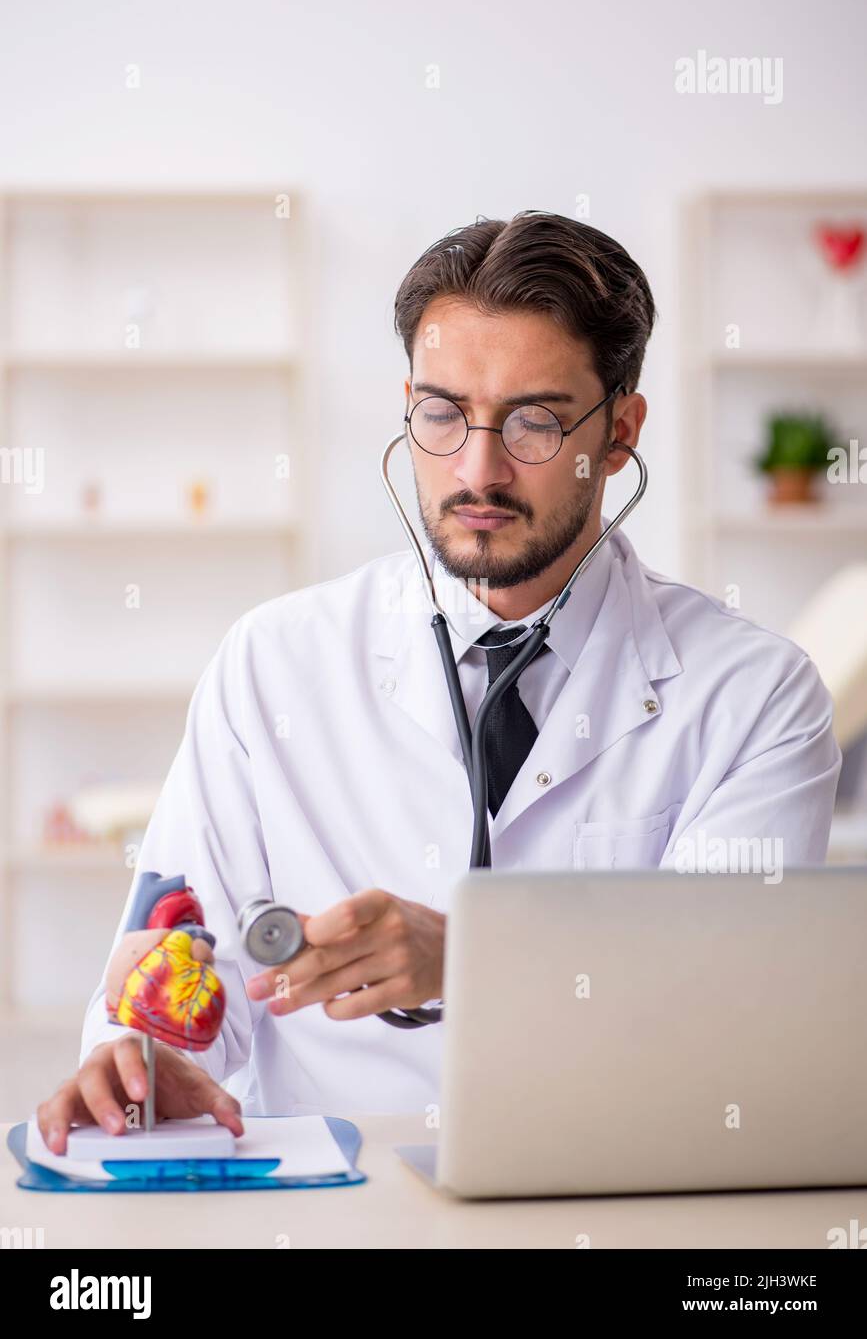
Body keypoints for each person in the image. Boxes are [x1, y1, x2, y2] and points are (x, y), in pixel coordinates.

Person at [37, 211, 840, 1153]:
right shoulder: (273, 664)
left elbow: (729, 1017)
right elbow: (175, 954)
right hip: (334, 1202)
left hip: (605, 1191)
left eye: (535, 421)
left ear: (618, 433)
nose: (478, 469)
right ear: (407, 405)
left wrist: (473, 960)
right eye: (443, 414)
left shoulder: (753, 697)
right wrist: (144, 1061)